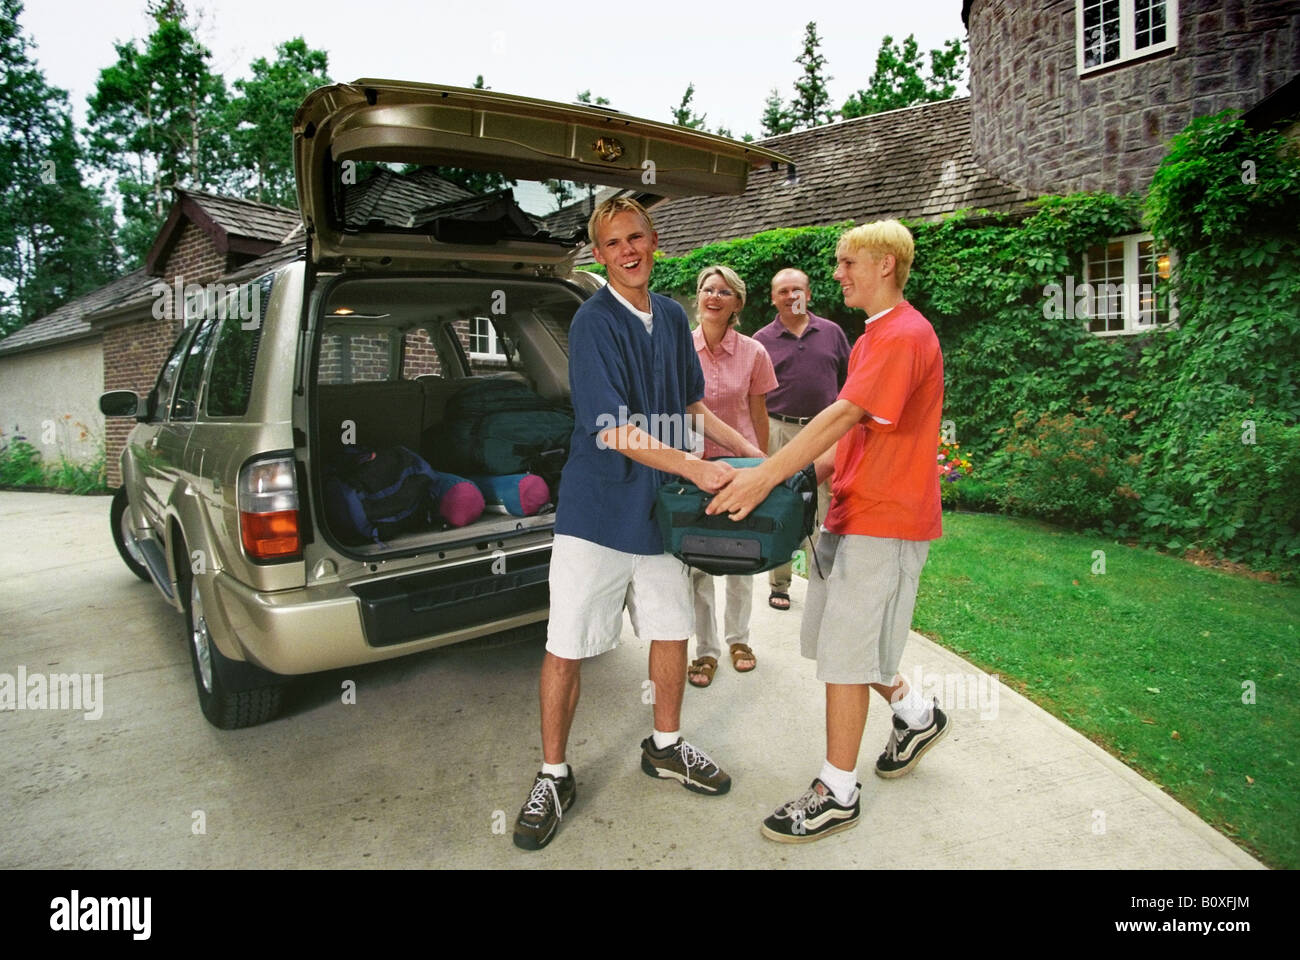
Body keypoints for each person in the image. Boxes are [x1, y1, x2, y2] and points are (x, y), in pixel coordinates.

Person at [513, 197, 766, 851]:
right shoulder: (595, 323)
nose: (628, 251)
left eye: (637, 237)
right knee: (566, 644)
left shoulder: (674, 316)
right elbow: (613, 428)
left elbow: (689, 405)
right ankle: (553, 773)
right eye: (613, 243)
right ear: (598, 255)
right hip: (595, 515)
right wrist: (695, 467)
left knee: (671, 630)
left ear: (655, 241)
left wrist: (753, 457)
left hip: (658, 513)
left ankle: (665, 746)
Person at [706, 220, 950, 844]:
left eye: (847, 263)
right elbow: (857, 432)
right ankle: (915, 714)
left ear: (886, 265)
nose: (837, 273)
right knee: (841, 640)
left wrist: (765, 476)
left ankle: (837, 791)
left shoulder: (902, 335)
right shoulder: (872, 336)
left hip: (887, 518)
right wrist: (799, 479)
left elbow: (841, 414)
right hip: (853, 508)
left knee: (845, 654)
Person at [687, 265, 778, 688]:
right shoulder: (680, 349)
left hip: (742, 470)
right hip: (695, 467)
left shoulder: (754, 353)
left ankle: (739, 639)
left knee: (742, 557)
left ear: (737, 303)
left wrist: (765, 467)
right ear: (698, 297)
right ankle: (705, 649)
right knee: (698, 561)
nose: (714, 296)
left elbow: (758, 414)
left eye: (724, 291)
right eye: (707, 289)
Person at [752, 268, 850, 612]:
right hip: (780, 430)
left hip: (825, 431)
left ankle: (822, 585)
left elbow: (848, 382)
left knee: (824, 509)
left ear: (808, 294)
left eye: (797, 290)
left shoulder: (833, 333)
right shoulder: (761, 340)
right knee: (782, 505)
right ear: (773, 298)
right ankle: (779, 583)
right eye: (783, 291)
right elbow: (755, 396)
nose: (791, 296)